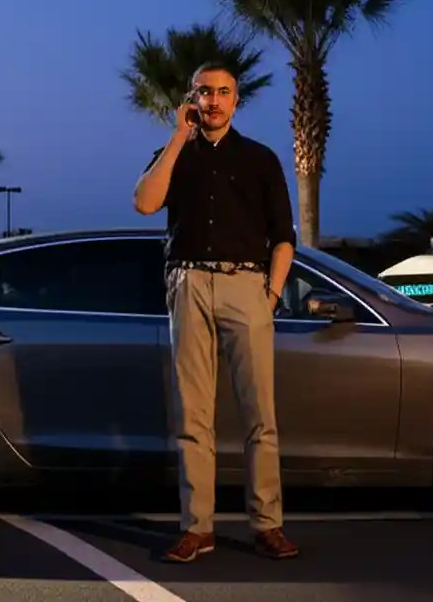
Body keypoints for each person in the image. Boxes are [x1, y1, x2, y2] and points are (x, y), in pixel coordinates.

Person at [133, 61, 299, 562]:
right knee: (193, 416)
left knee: (259, 416)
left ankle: (268, 525)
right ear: (192, 98)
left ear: (236, 99)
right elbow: (144, 203)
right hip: (187, 284)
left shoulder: (261, 159)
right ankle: (196, 528)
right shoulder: (175, 153)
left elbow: (285, 237)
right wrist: (176, 139)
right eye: (205, 92)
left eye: (223, 92)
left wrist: (269, 295)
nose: (214, 101)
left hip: (246, 286)